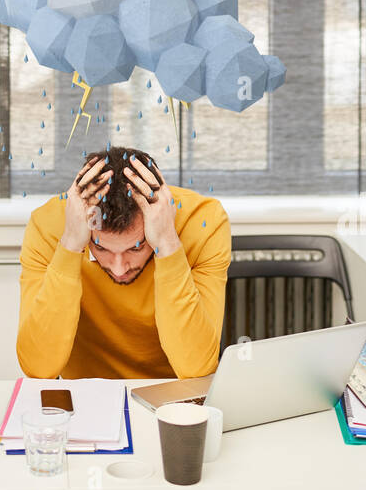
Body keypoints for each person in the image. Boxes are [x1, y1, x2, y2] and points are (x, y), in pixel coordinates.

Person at [16, 145, 231, 380]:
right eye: (100, 247)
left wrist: (167, 243)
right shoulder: (48, 225)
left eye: (136, 246)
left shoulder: (204, 221)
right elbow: (38, 368)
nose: (119, 268)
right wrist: (70, 244)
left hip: (173, 397)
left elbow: (196, 369)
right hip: (87, 398)